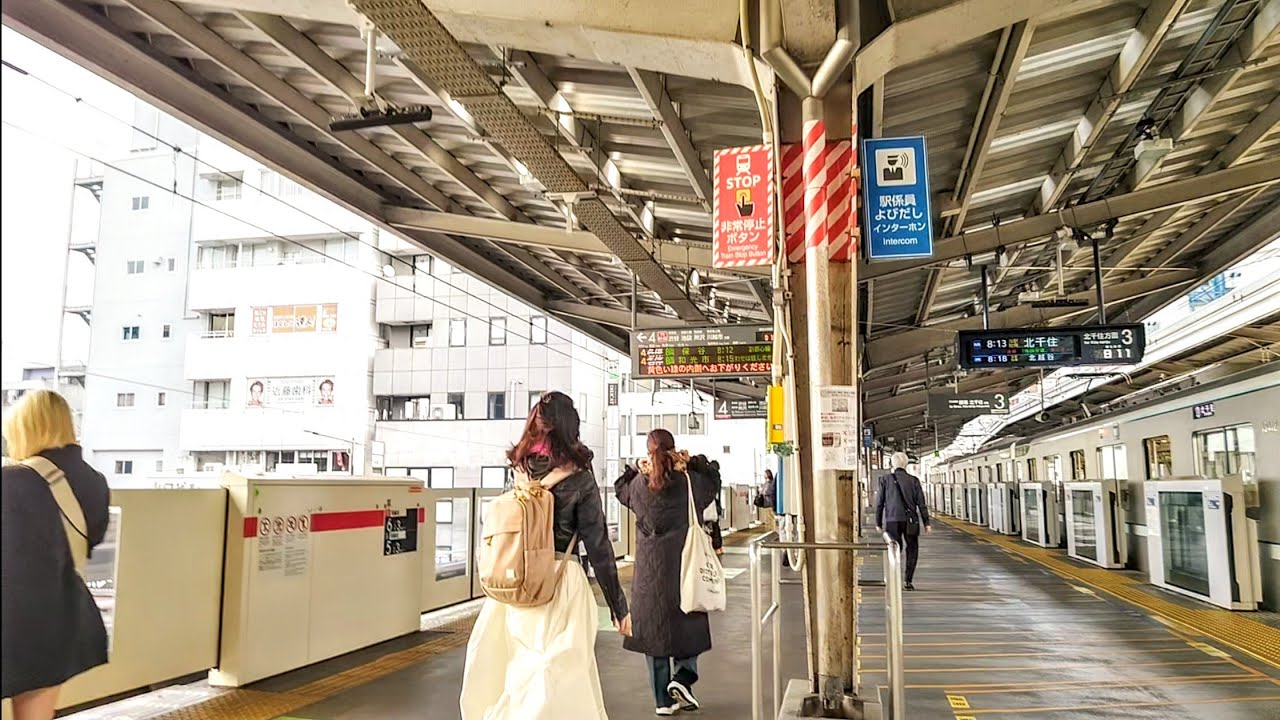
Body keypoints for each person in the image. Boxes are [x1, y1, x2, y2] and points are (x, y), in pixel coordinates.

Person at [460, 391, 628, 720]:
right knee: (563, 676)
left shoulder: (519, 471)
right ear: (572, 428)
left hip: (518, 586)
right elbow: (598, 546)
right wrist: (619, 608)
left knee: (521, 669)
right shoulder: (579, 477)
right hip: (561, 584)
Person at [2, 390, 111, 720]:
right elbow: (89, 542)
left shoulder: (11, 481)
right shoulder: (95, 482)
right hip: (57, 617)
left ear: (22, 429)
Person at [616, 430, 718, 716]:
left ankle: (663, 700)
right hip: (684, 566)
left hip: (650, 572)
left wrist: (638, 466)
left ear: (648, 452)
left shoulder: (637, 486)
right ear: (673, 450)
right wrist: (694, 462)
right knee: (688, 620)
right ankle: (683, 678)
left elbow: (618, 487)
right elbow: (714, 480)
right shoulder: (689, 483)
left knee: (654, 633)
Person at [875, 451, 931, 591]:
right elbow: (921, 504)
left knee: (894, 549)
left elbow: (879, 503)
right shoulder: (914, 481)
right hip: (911, 520)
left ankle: (893, 578)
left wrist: (878, 522)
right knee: (912, 549)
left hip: (892, 520)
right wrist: (927, 523)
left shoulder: (885, 480)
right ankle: (908, 580)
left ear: (892, 464)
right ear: (906, 464)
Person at [702, 459, 724, 555]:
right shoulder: (717, 477)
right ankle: (718, 547)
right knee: (715, 526)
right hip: (715, 504)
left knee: (708, 527)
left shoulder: (706, 475)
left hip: (708, 505)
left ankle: (711, 547)